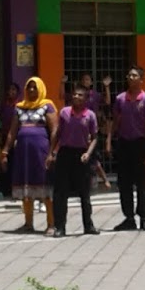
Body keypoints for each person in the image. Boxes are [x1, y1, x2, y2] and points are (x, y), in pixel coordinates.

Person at [2, 78, 57, 234]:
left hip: (41, 152)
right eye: (29, 88)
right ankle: (28, 223)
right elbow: (12, 132)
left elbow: (54, 131)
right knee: (26, 187)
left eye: (35, 88)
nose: (32, 91)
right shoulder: (19, 108)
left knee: (45, 188)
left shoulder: (47, 106)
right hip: (23, 153)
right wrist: (5, 151)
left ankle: (51, 224)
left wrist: (52, 153)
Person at [108, 68, 145, 231]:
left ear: (141, 80)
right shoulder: (120, 99)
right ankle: (128, 218)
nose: (130, 77)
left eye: (134, 75)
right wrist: (109, 139)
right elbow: (116, 121)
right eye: (129, 75)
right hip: (123, 143)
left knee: (141, 182)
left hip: (140, 144)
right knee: (124, 182)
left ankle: (144, 217)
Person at [48, 86, 99, 236]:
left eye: (80, 95)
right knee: (61, 192)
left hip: (81, 155)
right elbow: (57, 134)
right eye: (75, 94)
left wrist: (88, 153)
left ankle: (88, 225)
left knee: (84, 193)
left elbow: (95, 137)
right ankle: (60, 227)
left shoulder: (90, 115)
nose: (76, 97)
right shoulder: (64, 113)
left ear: (85, 98)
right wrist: (52, 152)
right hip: (65, 154)